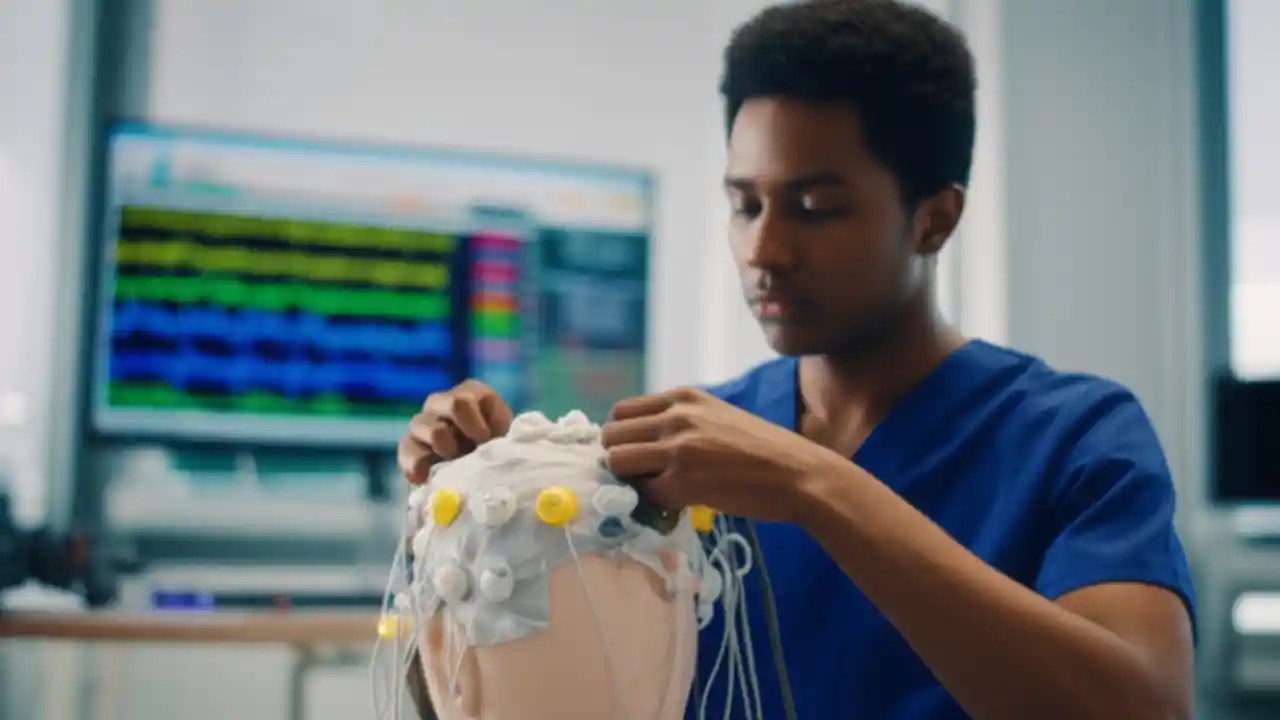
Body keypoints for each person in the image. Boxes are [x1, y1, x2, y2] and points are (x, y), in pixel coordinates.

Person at [397, 0, 1197, 717]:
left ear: (933, 220)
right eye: (744, 204)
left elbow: (1140, 706)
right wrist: (466, 531)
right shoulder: (677, 451)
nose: (764, 248)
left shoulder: (1076, 437)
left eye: (815, 209)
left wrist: (813, 488)